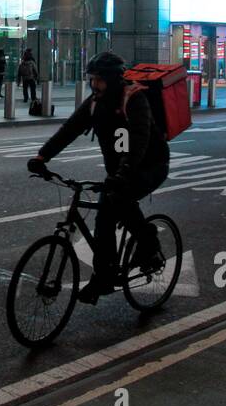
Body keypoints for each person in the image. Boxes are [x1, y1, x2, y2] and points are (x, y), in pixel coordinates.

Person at [27, 52, 170, 304]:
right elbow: (70, 129)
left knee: (115, 202)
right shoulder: (95, 102)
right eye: (92, 79)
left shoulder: (134, 100)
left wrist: (123, 172)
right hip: (119, 170)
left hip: (150, 165)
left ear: (114, 79)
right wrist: (42, 157)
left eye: (99, 80)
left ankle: (147, 243)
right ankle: (105, 275)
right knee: (106, 214)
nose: (94, 85)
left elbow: (137, 141)